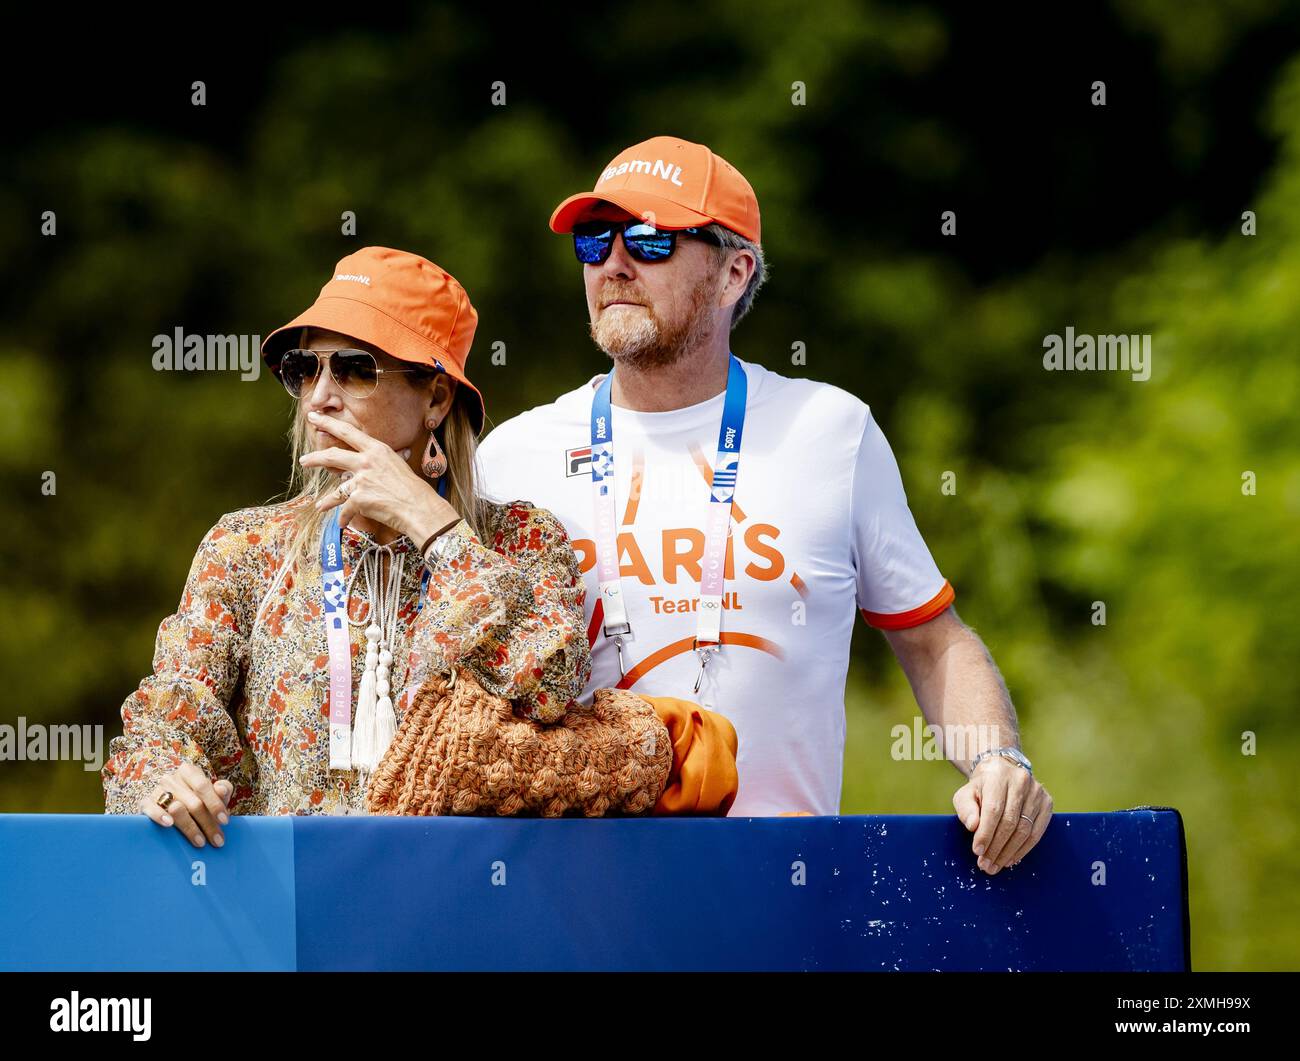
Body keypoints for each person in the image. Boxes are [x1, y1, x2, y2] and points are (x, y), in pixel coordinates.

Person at [476, 136, 1053, 874]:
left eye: (650, 240)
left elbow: (934, 643)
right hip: (573, 899)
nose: (614, 263)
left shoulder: (831, 431)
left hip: (784, 896)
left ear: (732, 273)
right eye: (596, 240)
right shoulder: (511, 457)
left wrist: (998, 761)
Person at [102, 246, 736, 845]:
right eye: (305, 368)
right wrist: (163, 778)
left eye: (353, 369)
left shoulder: (520, 541)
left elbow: (545, 685)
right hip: (289, 925)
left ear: (435, 397)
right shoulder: (246, 547)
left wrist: (432, 526)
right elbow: (168, 714)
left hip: (462, 919)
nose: (321, 396)